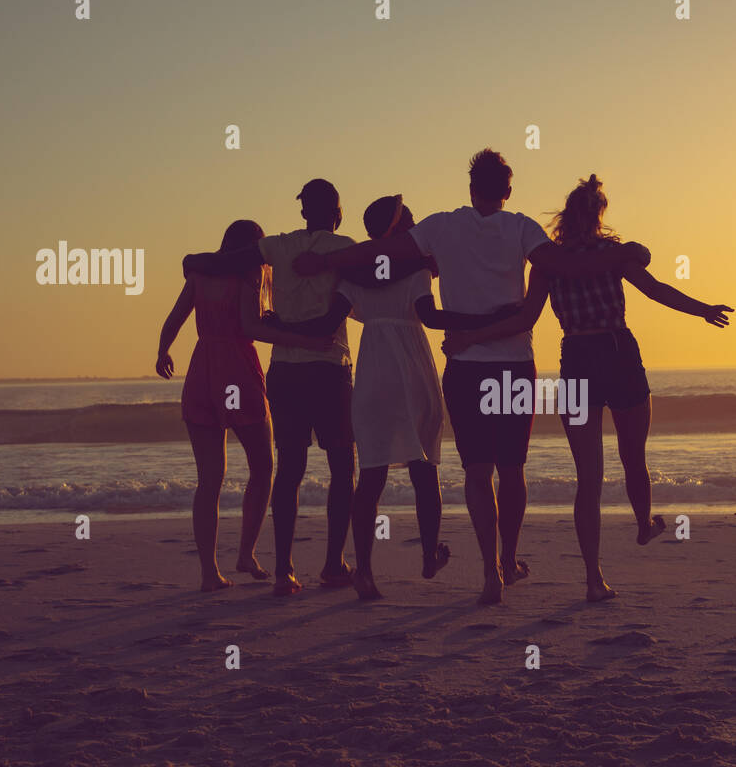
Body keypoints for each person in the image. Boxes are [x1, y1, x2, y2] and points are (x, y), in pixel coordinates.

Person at [292, 150, 652, 605]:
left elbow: (381, 249)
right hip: (513, 363)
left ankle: (489, 575)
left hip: (464, 369)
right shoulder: (522, 227)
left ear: (470, 188)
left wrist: (323, 263)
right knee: (512, 470)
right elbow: (566, 266)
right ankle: (508, 559)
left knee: (477, 472)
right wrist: (623, 253)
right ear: (508, 191)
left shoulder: (442, 226)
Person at [443, 174, 733, 602]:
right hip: (618, 352)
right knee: (634, 458)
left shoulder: (549, 264)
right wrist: (702, 309)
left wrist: (471, 337)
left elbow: (524, 320)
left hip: (577, 358)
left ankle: (594, 578)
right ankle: (642, 524)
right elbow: (656, 291)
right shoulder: (612, 255)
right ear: (598, 215)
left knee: (589, 479)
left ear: (566, 216)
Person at [276, 195, 521, 600]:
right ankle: (429, 554)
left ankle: (366, 573)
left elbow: (325, 323)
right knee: (423, 467)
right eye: (407, 220)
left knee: (370, 475)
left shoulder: (353, 276)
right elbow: (433, 319)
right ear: (396, 230)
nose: (413, 226)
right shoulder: (417, 272)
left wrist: (281, 325)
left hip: (372, 374)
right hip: (411, 370)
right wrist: (484, 321)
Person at [183, 180, 361, 596]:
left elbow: (226, 261)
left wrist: (192, 258)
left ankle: (285, 571)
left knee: (289, 469)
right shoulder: (346, 245)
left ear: (302, 213)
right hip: (330, 368)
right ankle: (333, 564)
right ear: (338, 213)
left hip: (286, 371)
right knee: (341, 468)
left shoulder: (276, 247)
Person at [156, 219, 329, 592]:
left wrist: (163, 351)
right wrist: (298, 338)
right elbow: (253, 328)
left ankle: (208, 573)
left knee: (209, 479)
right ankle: (245, 553)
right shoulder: (249, 276)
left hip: (202, 372)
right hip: (237, 372)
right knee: (263, 467)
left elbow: (175, 318)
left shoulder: (200, 275)